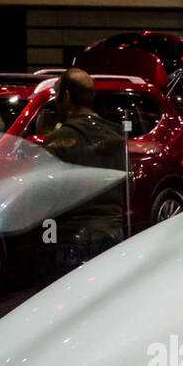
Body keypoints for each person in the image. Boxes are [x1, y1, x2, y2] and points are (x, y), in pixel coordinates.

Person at [41, 67, 128, 270]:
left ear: (67, 96)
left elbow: (46, 197)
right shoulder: (115, 137)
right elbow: (128, 187)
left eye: (57, 94)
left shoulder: (57, 141)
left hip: (72, 237)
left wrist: (48, 239)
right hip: (112, 232)